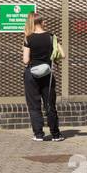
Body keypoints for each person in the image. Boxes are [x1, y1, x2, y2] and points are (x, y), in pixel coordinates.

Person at [22, 12, 63, 142]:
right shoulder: (52, 37)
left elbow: (25, 60)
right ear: (40, 22)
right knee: (50, 104)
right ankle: (56, 134)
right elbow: (63, 54)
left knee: (34, 105)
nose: (45, 22)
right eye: (44, 21)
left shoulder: (28, 38)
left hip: (31, 74)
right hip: (47, 74)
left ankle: (39, 134)